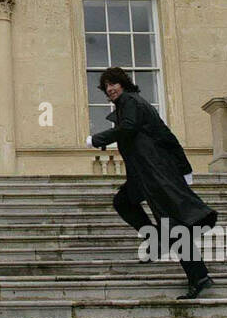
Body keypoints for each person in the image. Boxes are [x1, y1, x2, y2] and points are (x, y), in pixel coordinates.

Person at [85, 66, 217, 299]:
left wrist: (97, 138)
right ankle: (156, 238)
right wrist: (184, 168)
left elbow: (129, 128)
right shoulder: (134, 103)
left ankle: (199, 277)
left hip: (154, 174)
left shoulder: (130, 101)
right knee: (123, 201)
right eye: (106, 86)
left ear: (123, 84)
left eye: (113, 83)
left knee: (173, 225)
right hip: (143, 174)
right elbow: (165, 136)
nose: (110, 89)